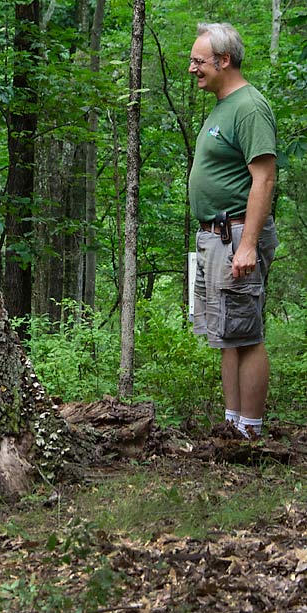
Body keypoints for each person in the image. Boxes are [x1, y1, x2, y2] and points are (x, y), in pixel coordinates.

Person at [188, 23, 279, 439]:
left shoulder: (249, 106)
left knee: (246, 333)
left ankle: (251, 431)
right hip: (215, 237)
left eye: (198, 61)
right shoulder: (222, 105)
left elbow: (263, 179)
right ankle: (232, 427)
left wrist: (247, 245)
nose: (192, 68)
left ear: (224, 61)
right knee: (226, 333)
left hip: (237, 236)